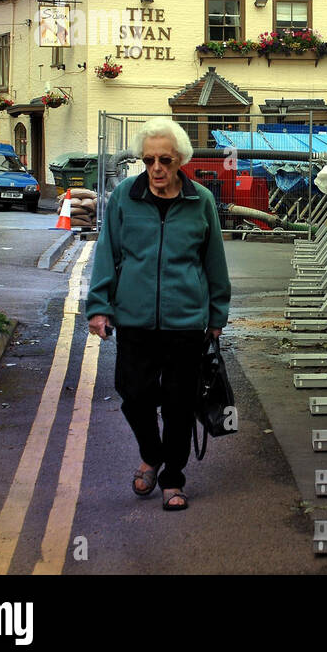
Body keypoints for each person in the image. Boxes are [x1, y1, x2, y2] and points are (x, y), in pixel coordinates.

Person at [86, 117, 231, 511]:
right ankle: (152, 453)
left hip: (186, 322)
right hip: (133, 320)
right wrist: (98, 307)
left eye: (164, 160)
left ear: (179, 159)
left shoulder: (200, 200)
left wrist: (217, 314)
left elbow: (214, 261)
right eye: (148, 160)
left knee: (179, 403)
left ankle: (172, 478)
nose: (156, 169)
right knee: (134, 396)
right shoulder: (123, 199)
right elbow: (107, 255)